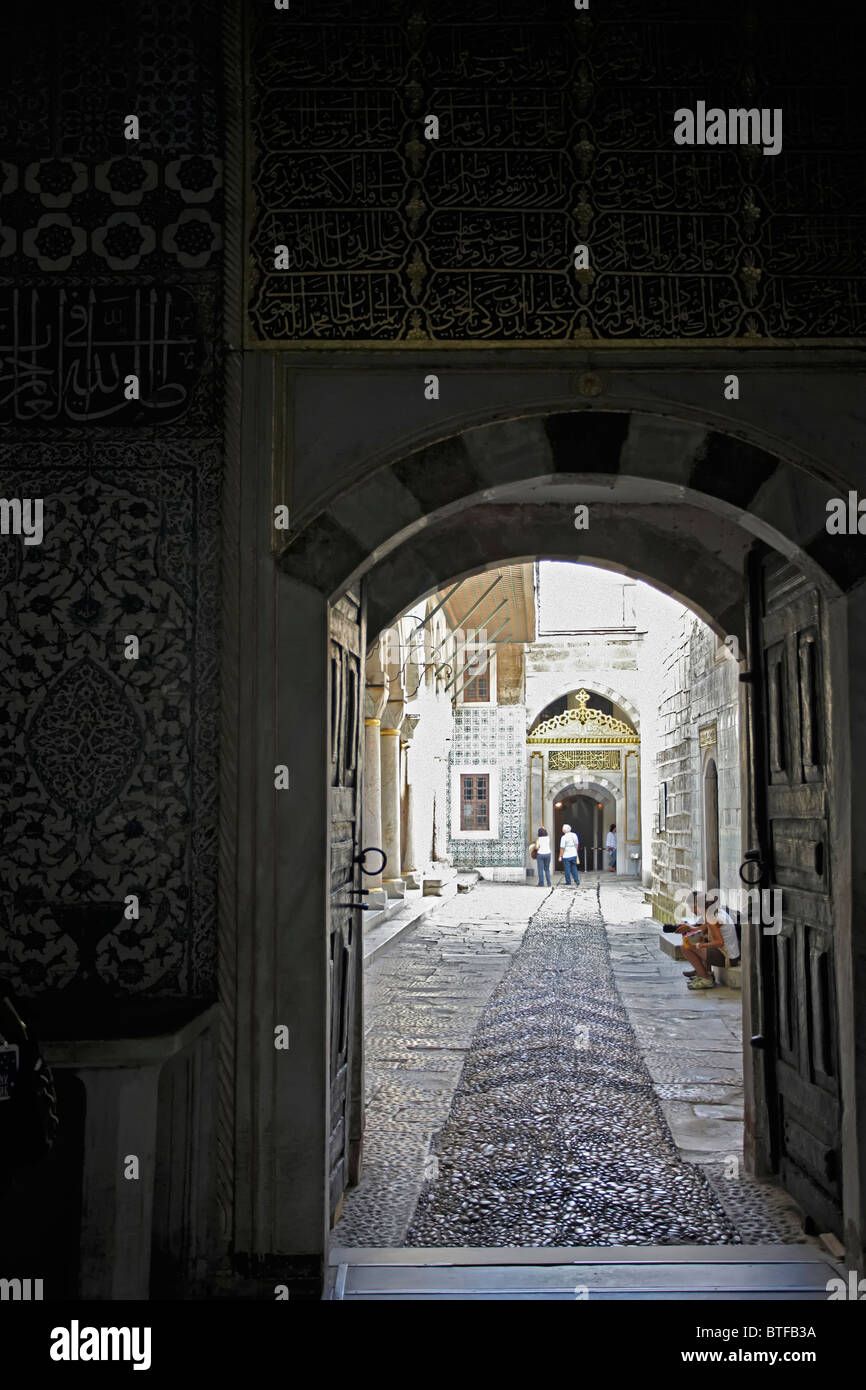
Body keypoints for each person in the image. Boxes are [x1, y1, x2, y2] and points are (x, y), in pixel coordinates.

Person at [670, 891, 740, 991]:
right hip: (730, 955)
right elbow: (704, 928)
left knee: (686, 947)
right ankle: (704, 973)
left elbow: (720, 942)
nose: (693, 909)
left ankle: (706, 978)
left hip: (728, 958)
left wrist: (700, 946)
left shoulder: (712, 918)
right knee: (696, 939)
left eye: (695, 906)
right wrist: (690, 929)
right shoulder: (715, 912)